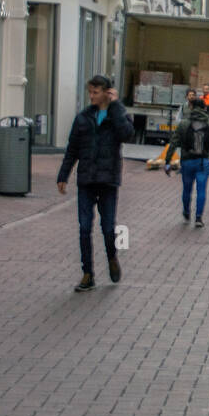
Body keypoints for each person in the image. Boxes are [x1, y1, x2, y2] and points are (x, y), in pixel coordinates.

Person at [57, 75, 135, 292]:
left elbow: (127, 135)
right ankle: (87, 273)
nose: (92, 96)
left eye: (96, 92)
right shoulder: (83, 118)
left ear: (107, 93)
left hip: (108, 180)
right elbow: (72, 148)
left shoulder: (116, 115)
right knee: (84, 227)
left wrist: (117, 106)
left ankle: (112, 258)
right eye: (90, 92)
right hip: (87, 180)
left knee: (108, 227)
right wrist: (63, 175)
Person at [163, 94, 209, 228]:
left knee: (187, 189)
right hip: (203, 161)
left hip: (187, 161)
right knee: (201, 190)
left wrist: (167, 161)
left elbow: (173, 143)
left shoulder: (184, 123)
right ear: (204, 108)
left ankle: (186, 212)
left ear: (191, 107)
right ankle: (199, 218)